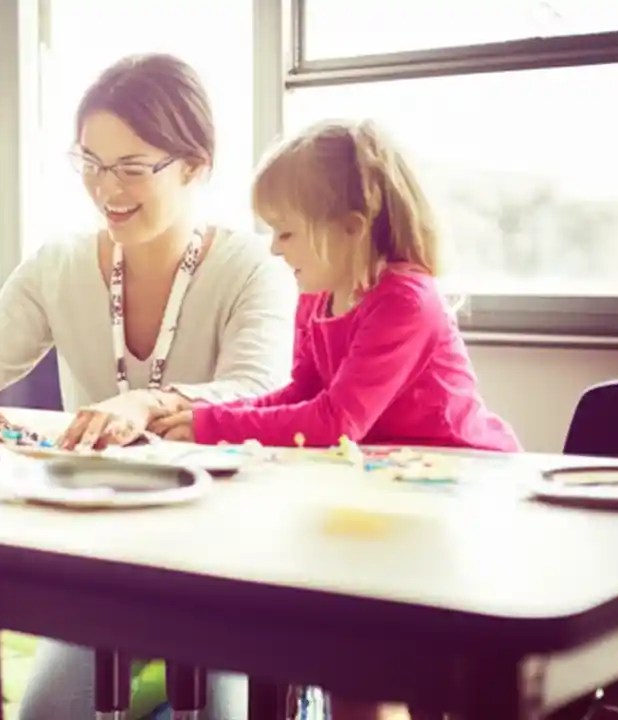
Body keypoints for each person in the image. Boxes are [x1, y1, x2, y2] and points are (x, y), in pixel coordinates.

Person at [0, 53, 297, 720]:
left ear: (195, 165)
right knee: (46, 714)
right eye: (91, 163)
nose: (106, 187)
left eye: (131, 167)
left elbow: (260, 392)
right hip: (100, 561)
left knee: (221, 710)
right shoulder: (60, 264)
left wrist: (151, 400)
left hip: (227, 562)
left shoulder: (253, 269)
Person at [151, 118, 521, 719]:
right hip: (382, 498)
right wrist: (205, 412)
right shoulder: (317, 297)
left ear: (349, 231)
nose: (273, 248)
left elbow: (334, 421)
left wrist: (212, 427)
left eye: (287, 232)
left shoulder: (405, 300)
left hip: (458, 490)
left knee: (431, 681)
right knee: (356, 672)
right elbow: (299, 391)